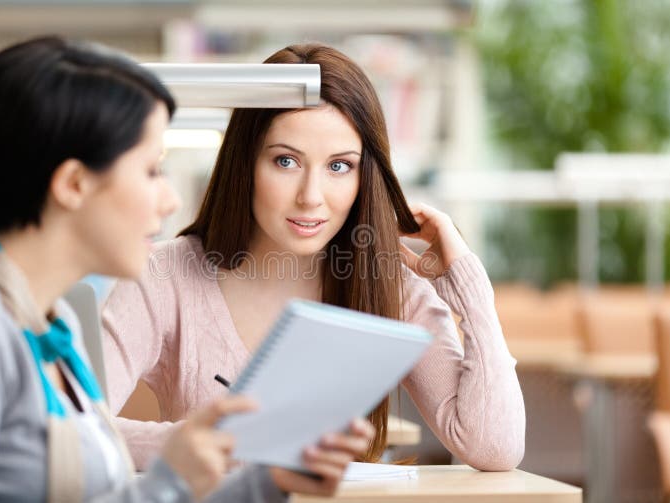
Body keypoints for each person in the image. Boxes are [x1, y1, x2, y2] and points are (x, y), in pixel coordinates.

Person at [0, 37, 374, 502]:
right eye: (151, 171)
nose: (169, 200)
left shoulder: (53, 327)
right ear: (74, 184)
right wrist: (173, 479)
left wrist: (268, 480)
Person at [102, 42, 526, 472]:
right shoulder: (165, 273)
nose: (311, 197)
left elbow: (494, 448)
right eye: (285, 161)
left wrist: (470, 288)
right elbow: (70, 431)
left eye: (339, 166)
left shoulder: (388, 284)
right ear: (245, 163)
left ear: (365, 177)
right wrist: (193, 444)